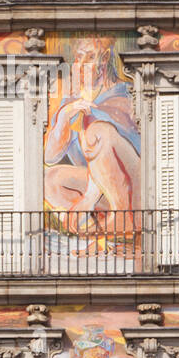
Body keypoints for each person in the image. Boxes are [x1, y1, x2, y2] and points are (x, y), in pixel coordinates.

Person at [44, 37, 140, 232]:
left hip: (134, 187)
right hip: (100, 188)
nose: (80, 65)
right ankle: (94, 223)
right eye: (78, 58)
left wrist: (88, 198)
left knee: (98, 130)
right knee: (49, 178)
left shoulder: (123, 94)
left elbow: (111, 150)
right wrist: (64, 116)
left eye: (89, 57)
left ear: (104, 60)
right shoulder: (73, 100)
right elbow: (50, 156)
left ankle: (124, 217)